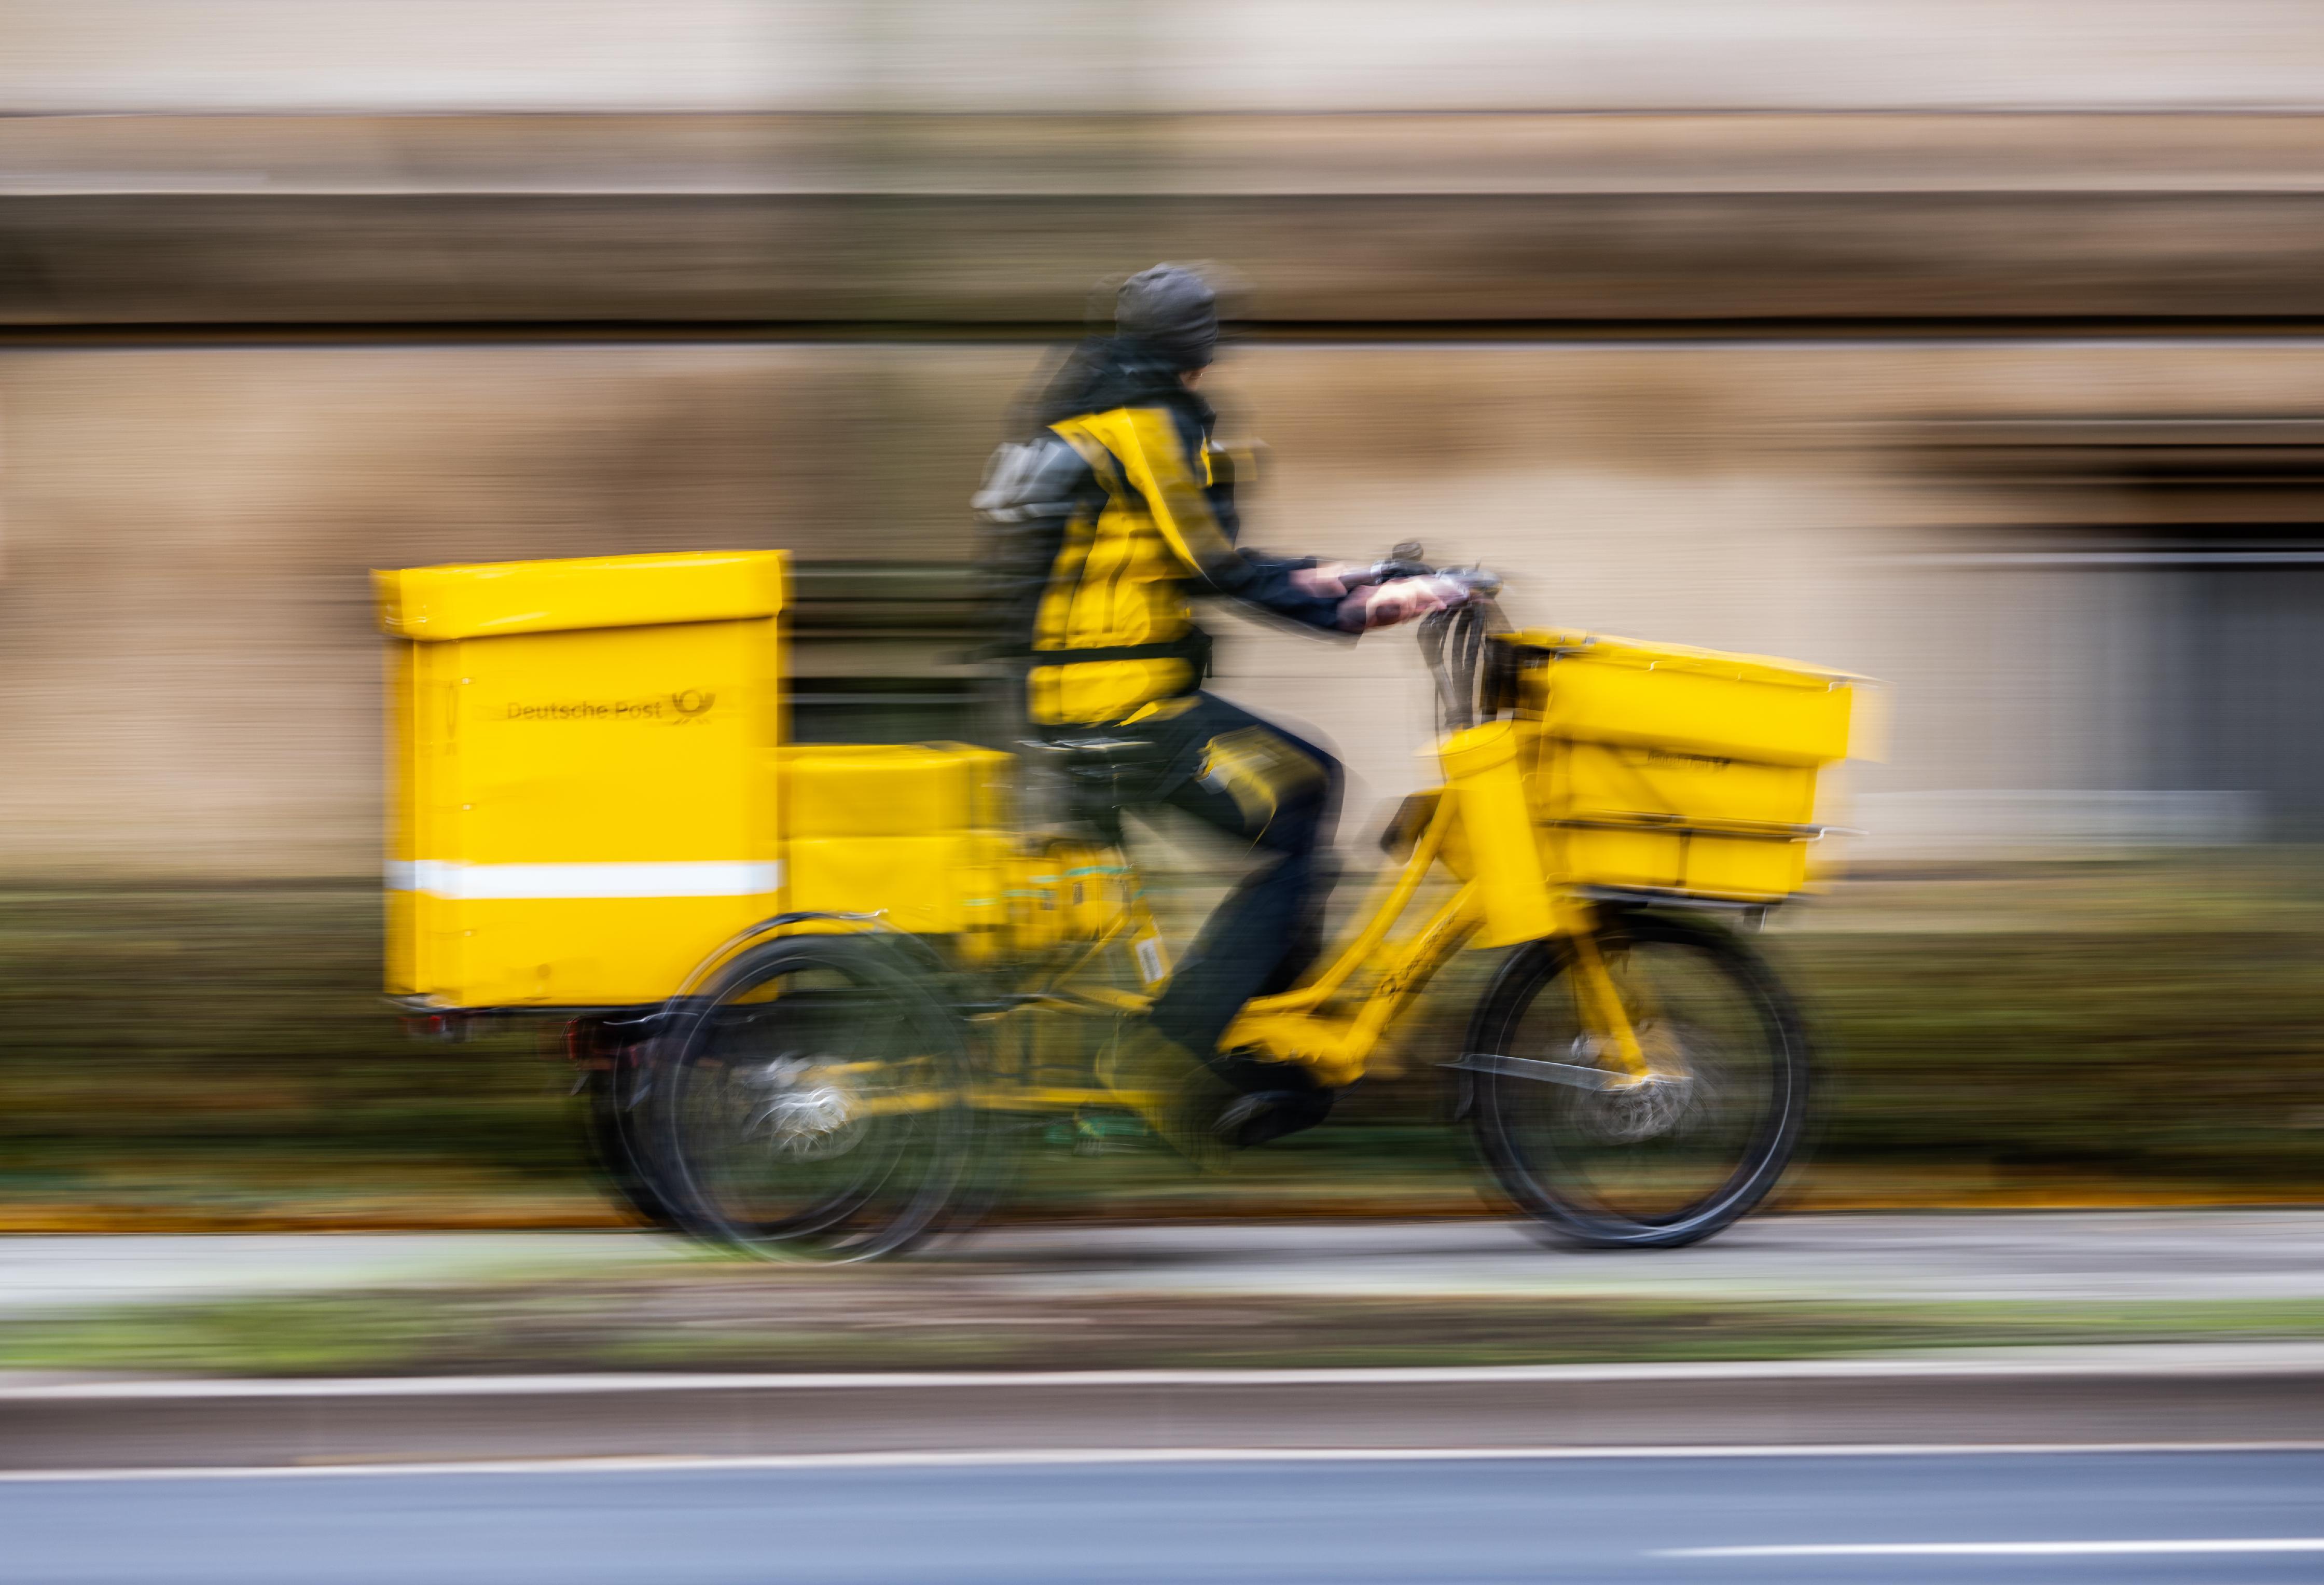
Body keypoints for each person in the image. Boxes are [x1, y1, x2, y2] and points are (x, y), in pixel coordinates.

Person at [975, 263, 1473, 1150]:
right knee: (1301, 797)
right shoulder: (1146, 426)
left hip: (1084, 696)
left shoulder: (1094, 409)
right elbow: (1217, 565)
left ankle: (1263, 1036)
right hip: (1118, 709)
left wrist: (1365, 577)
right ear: (1197, 352)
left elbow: (1205, 556)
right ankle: (1176, 1050)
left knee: (1306, 786)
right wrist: (1364, 608)